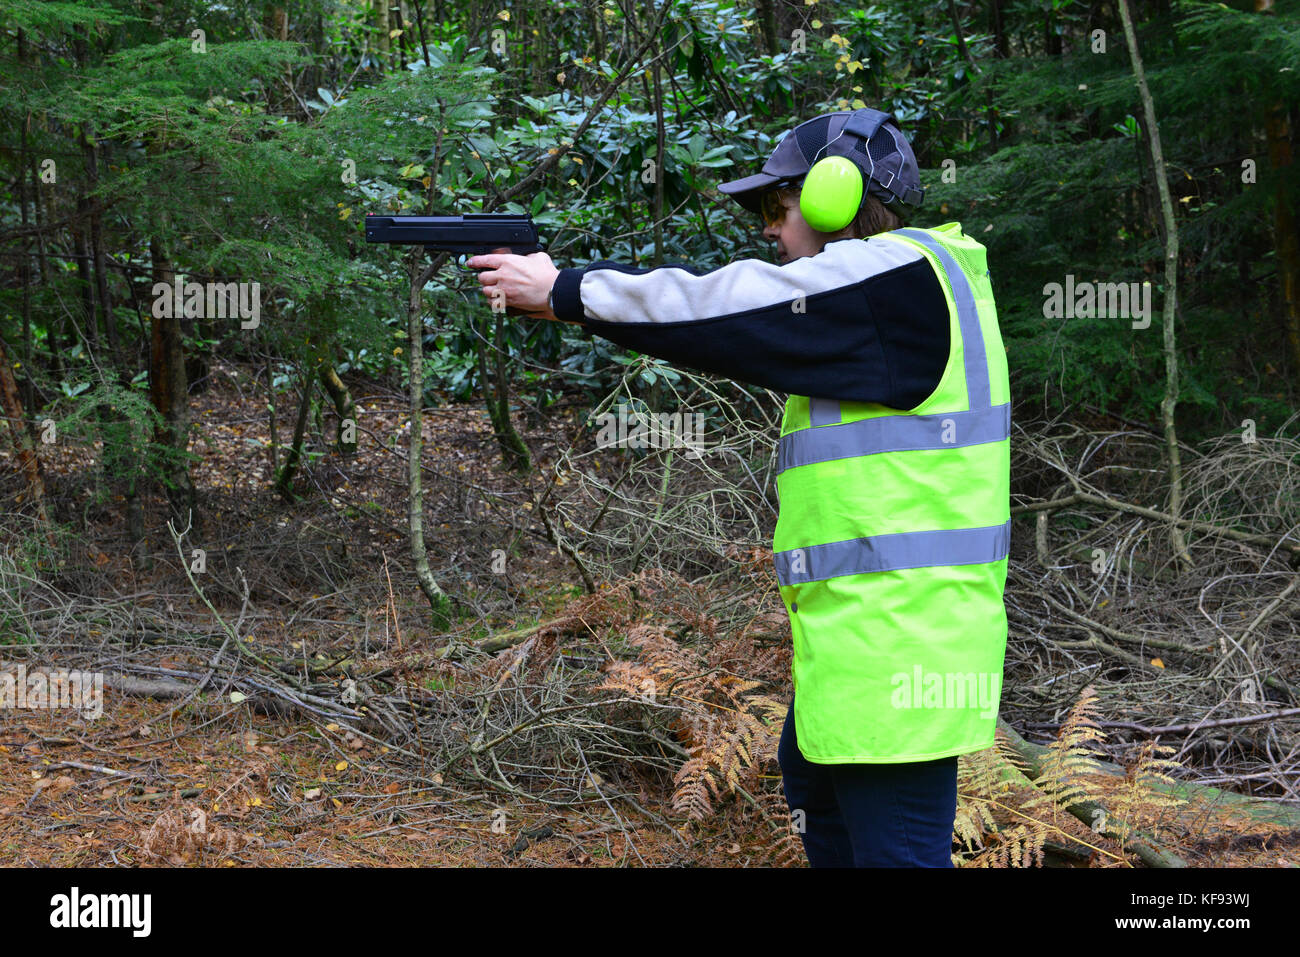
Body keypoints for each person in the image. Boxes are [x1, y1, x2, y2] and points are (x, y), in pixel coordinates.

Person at [468, 108, 1011, 867]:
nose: (767, 229)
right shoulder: (908, 287)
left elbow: (718, 306)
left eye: (776, 207)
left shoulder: (897, 281)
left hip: (899, 657)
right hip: (876, 644)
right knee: (817, 795)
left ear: (834, 194)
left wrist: (566, 289)